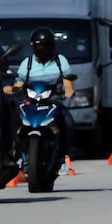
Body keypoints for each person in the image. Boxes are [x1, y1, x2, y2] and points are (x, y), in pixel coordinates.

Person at [13, 28, 76, 159]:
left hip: (54, 102)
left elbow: (68, 84)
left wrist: (68, 91)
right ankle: (18, 155)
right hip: (31, 103)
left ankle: (64, 155)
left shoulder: (60, 61)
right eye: (38, 47)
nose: (41, 50)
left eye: (45, 47)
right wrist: (15, 90)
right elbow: (17, 85)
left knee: (67, 122)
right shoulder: (27, 63)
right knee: (15, 122)